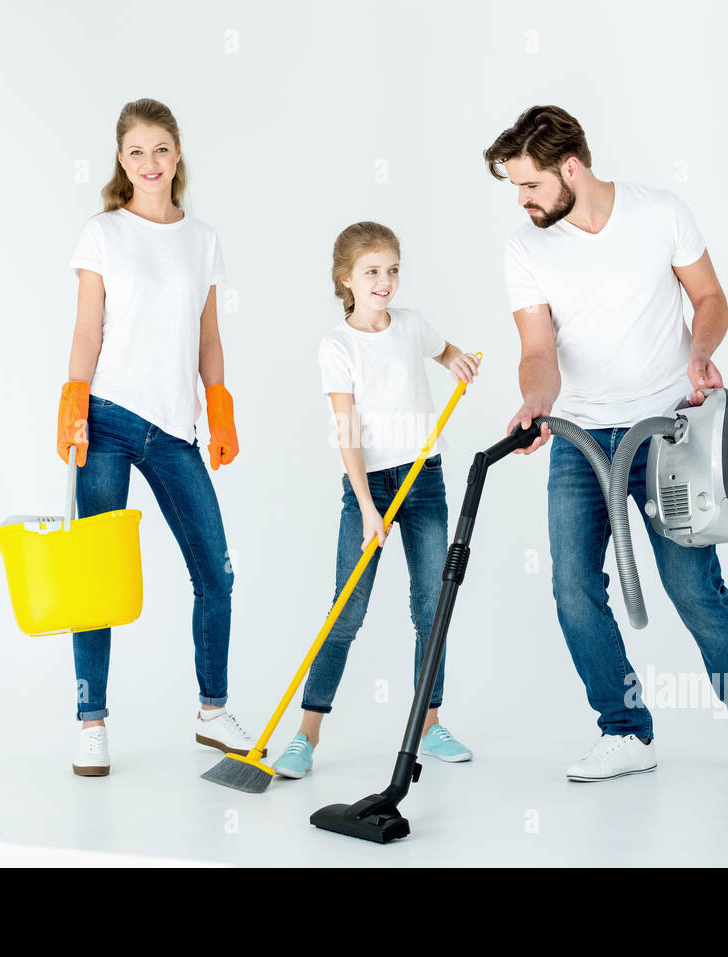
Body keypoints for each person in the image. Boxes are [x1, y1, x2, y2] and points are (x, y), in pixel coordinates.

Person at [485, 105, 728, 781]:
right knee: (571, 586)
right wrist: (537, 400)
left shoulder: (659, 213)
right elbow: (537, 348)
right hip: (582, 438)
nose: (522, 200)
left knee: (691, 585)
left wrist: (700, 353)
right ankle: (626, 731)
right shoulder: (526, 248)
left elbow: (709, 297)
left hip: (665, 431)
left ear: (571, 167)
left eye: (529, 184)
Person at [58, 97, 260, 776]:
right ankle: (92, 723)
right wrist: (73, 401)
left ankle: (213, 711)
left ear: (178, 155)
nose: (150, 163)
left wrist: (220, 407)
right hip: (108, 418)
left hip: (175, 429)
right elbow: (89, 330)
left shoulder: (201, 239)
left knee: (217, 573)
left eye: (161, 149)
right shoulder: (103, 233)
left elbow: (208, 336)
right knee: (96, 581)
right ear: (122, 159)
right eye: (137, 151)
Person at [270, 222, 481, 779]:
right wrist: (365, 506)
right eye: (372, 272)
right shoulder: (337, 346)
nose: (385, 282)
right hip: (371, 488)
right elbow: (347, 432)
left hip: (424, 479)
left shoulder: (412, 326)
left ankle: (428, 725)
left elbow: (447, 351)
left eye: (392, 270)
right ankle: (306, 734)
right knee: (347, 612)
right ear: (347, 280)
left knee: (431, 609)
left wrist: (460, 362)